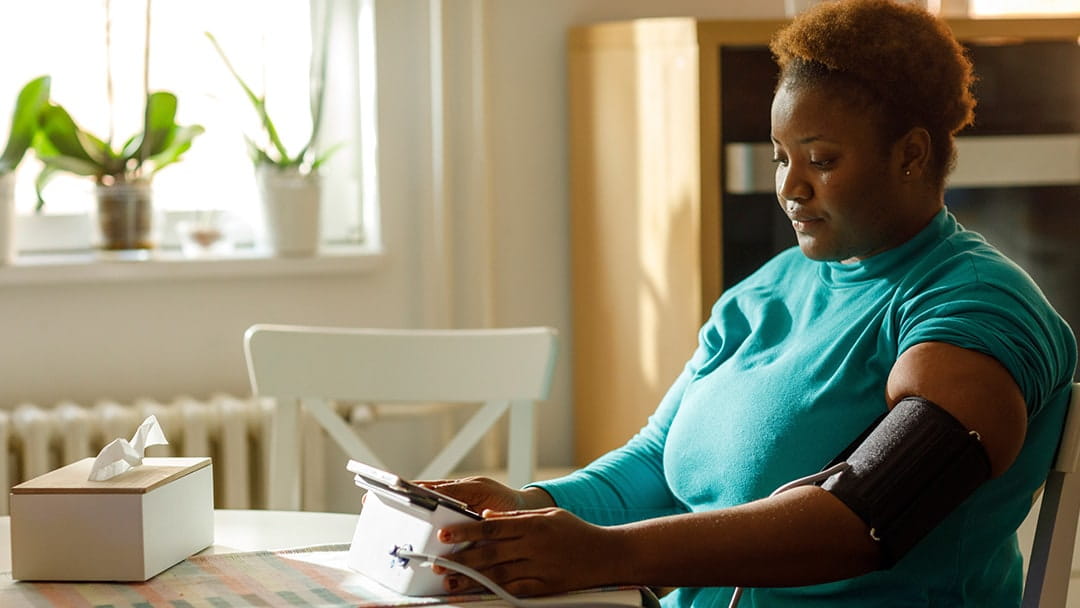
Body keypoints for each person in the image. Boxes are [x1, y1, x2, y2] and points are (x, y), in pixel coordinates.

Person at [419, 1, 1078, 605]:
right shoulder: (765, 292)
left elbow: (870, 515)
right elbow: (656, 461)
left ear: (910, 154)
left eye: (820, 159)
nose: (791, 187)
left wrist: (609, 554)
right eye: (779, 157)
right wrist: (521, 507)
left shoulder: (976, 305)